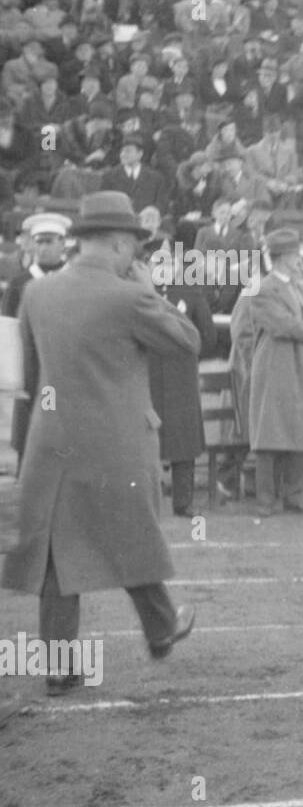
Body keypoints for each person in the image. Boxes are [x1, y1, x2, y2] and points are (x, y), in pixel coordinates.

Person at [0, 192, 197, 694]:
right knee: (130, 537)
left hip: (50, 444)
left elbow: (24, 370)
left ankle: (60, 668)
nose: (136, 255)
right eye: (134, 245)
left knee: (55, 556)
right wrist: (150, 291)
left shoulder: (36, 295)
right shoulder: (128, 295)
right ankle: (161, 628)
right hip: (115, 443)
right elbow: (186, 342)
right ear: (116, 243)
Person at [246, 229, 303, 517]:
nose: (299, 260)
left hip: (298, 363)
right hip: (275, 364)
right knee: (271, 431)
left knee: (297, 428)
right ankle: (267, 499)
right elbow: (283, 326)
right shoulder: (262, 288)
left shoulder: (299, 288)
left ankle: (294, 496)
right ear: (284, 258)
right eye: (295, 255)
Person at [146, 239, 217, 517]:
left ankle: (183, 501)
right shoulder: (138, 294)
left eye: (169, 261)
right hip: (146, 374)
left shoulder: (190, 291)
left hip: (181, 377)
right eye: (157, 260)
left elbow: (208, 336)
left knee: (182, 439)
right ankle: (147, 500)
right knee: (145, 437)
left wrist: (186, 357)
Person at [3, 212, 71, 475]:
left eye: (50, 241)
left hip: (64, 371)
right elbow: (8, 329)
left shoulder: (73, 280)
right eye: (39, 242)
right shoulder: (20, 283)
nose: (43, 248)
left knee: (60, 430)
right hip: (30, 371)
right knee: (29, 431)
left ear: (63, 244)